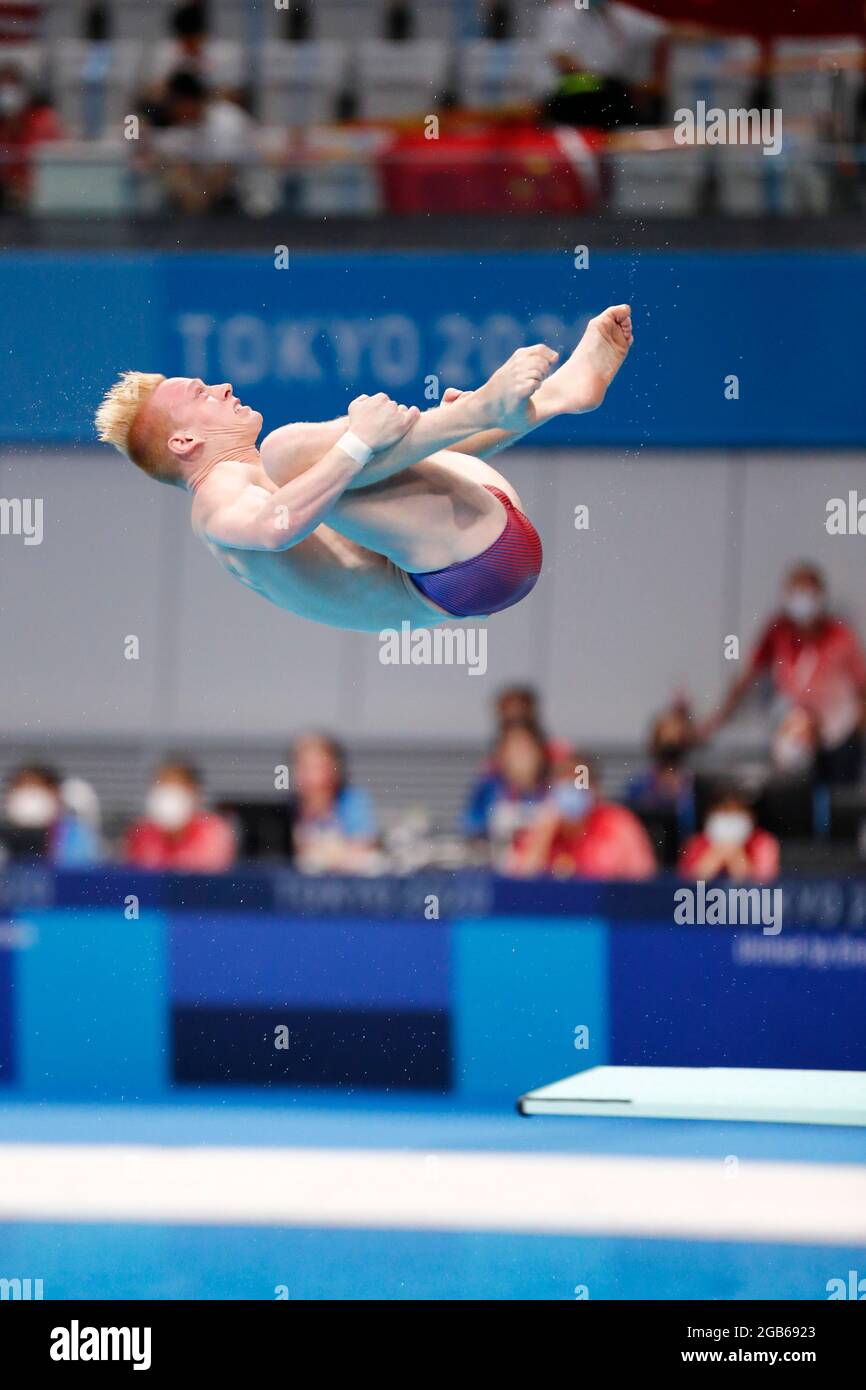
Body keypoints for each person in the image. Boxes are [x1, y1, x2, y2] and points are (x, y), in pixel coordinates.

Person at [94, 306, 634, 635]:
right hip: (465, 568)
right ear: (184, 441)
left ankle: (557, 396)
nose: (223, 387)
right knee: (293, 453)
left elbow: (352, 489)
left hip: (474, 550)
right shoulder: (216, 502)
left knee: (340, 467)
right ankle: (478, 408)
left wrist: (369, 450)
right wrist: (356, 442)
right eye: (201, 394)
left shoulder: (267, 480)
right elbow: (275, 528)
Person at [700, 563, 866, 786]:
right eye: (796, 592)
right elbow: (747, 677)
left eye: (807, 592)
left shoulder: (840, 636)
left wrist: (856, 730)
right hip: (795, 732)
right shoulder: (778, 632)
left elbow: (862, 688)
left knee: (840, 806)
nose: (802, 600)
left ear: (820, 595)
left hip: (838, 737)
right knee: (794, 795)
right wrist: (713, 722)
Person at [508, 753, 656, 880]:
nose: (570, 788)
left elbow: (643, 880)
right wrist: (542, 836)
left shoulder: (619, 824)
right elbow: (518, 885)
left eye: (578, 782)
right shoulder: (540, 824)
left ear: (595, 789)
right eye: (564, 781)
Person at [539, 0, 670, 129]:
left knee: (630, 97)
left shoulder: (614, 13)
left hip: (608, 87)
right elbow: (562, 59)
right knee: (610, 92)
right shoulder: (563, 13)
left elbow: (659, 29)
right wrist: (602, 79)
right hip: (575, 89)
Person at [146, 70, 256, 214]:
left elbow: (224, 174)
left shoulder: (230, 119)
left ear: (188, 101)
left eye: (173, 103)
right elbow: (173, 164)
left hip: (243, 205)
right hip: (201, 204)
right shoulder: (182, 128)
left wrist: (197, 200)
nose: (170, 109)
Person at [290, 733, 380, 873]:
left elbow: (365, 844)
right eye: (302, 767)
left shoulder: (351, 802)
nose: (309, 777)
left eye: (317, 768)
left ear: (334, 769)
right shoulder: (288, 808)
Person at [123, 761, 235, 872]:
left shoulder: (214, 832)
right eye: (162, 785)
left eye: (174, 786)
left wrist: (178, 834)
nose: (167, 794)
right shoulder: (140, 832)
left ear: (194, 791)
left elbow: (210, 875)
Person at [461, 720, 552, 853]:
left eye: (526, 749)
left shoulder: (553, 790)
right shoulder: (488, 789)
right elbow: (471, 829)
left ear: (539, 753)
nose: (521, 757)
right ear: (502, 755)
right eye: (515, 749)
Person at [0, 765, 101, 867]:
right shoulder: (3, 839)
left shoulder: (74, 836)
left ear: (55, 793)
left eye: (36, 787)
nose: (29, 799)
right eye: (21, 787)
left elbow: (79, 873)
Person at [678, 789, 780, 884]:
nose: (729, 824)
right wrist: (715, 855)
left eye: (735, 815)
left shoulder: (763, 841)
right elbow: (687, 883)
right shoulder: (696, 842)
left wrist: (736, 856)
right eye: (725, 814)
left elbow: (763, 883)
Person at [626, 702, 697, 838]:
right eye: (665, 740)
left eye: (676, 740)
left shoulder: (696, 787)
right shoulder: (639, 786)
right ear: (654, 744)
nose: (670, 745)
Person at [0, 63, 65, 209]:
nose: (6, 94)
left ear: (24, 91)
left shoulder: (43, 120)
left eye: (11, 87)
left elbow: (57, 167)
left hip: (39, 202)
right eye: (2, 88)